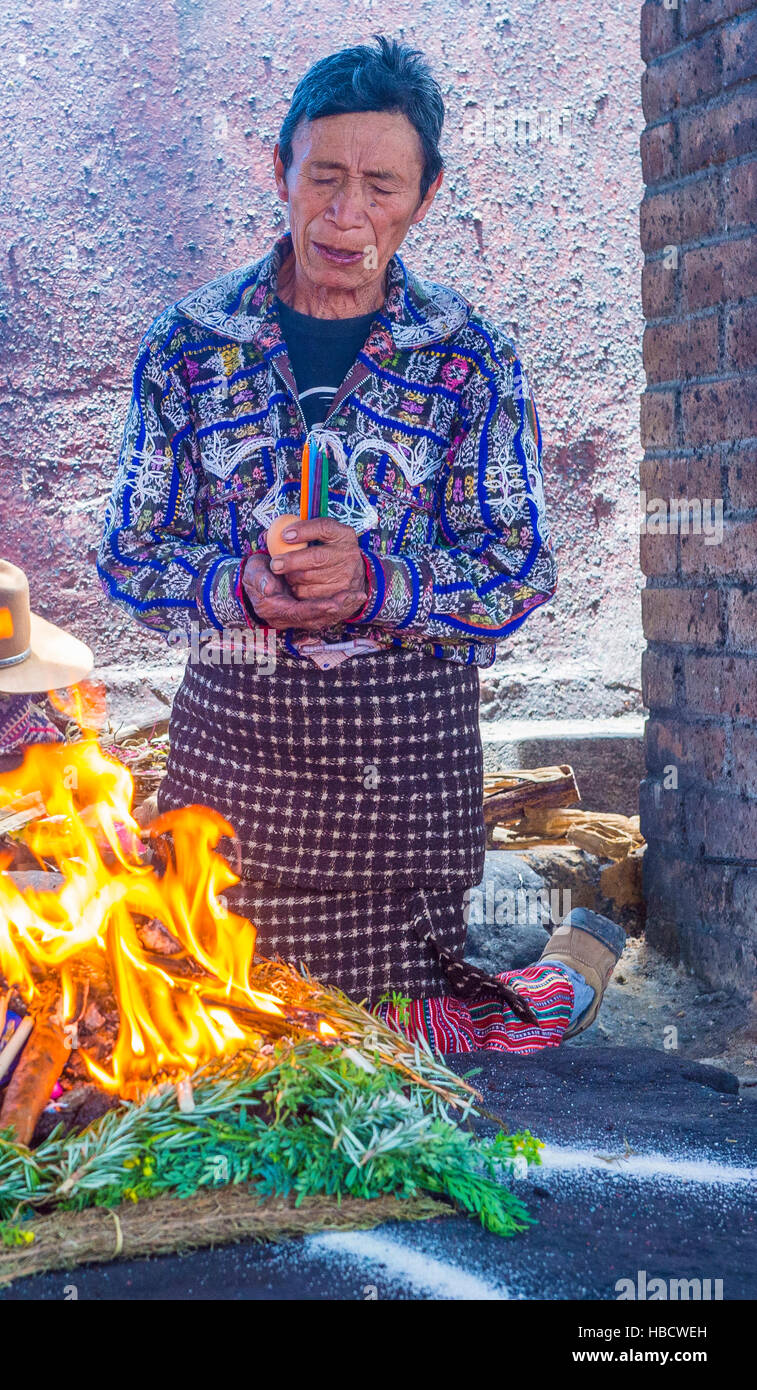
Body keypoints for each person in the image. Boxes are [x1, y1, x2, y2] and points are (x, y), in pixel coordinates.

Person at [97, 37, 624, 1054]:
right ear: (280, 173)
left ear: (422, 196)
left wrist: (378, 584)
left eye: (379, 184)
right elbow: (129, 548)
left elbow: (518, 566)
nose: (346, 214)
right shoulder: (189, 345)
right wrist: (234, 586)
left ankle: (559, 982)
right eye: (323, 177)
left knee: (400, 1054)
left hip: (402, 778)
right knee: (211, 1044)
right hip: (234, 774)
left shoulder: (470, 359)